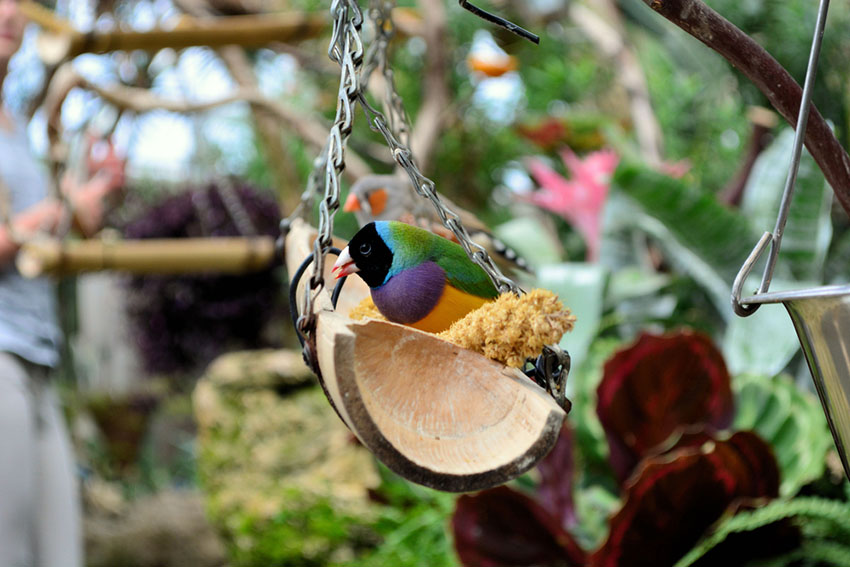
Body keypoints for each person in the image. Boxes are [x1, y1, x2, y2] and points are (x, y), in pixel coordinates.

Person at [0, 0, 124, 564]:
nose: (8, 12)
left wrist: (90, 194)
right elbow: (22, 231)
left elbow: (51, 224)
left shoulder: (12, 123)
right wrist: (42, 219)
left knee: (58, 552)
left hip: (37, 353)